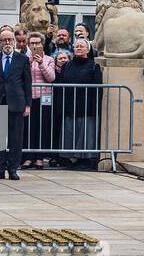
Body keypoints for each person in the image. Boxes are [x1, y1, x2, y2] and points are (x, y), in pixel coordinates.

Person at [0, 25, 32, 180]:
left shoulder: (23, 59)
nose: (7, 42)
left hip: (16, 103)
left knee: (15, 138)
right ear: (0, 42)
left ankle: (13, 169)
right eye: (4, 40)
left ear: (14, 42)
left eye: (10, 39)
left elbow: (27, 84)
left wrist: (28, 105)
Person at [56, 39, 103, 169]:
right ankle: (70, 158)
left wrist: (95, 107)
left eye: (81, 46)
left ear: (88, 50)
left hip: (86, 106)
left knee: (86, 133)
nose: (78, 48)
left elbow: (98, 88)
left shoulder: (94, 66)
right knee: (70, 131)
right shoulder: (67, 65)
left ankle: (86, 160)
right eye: (76, 46)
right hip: (70, 105)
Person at [23, 31, 56, 168]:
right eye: (32, 43)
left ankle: (40, 157)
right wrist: (29, 63)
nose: (35, 45)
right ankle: (28, 157)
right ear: (28, 45)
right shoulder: (24, 59)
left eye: (37, 43)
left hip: (44, 98)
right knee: (29, 128)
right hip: (29, 98)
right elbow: (21, 76)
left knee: (43, 127)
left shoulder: (49, 59)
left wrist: (41, 63)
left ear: (42, 44)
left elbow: (51, 78)